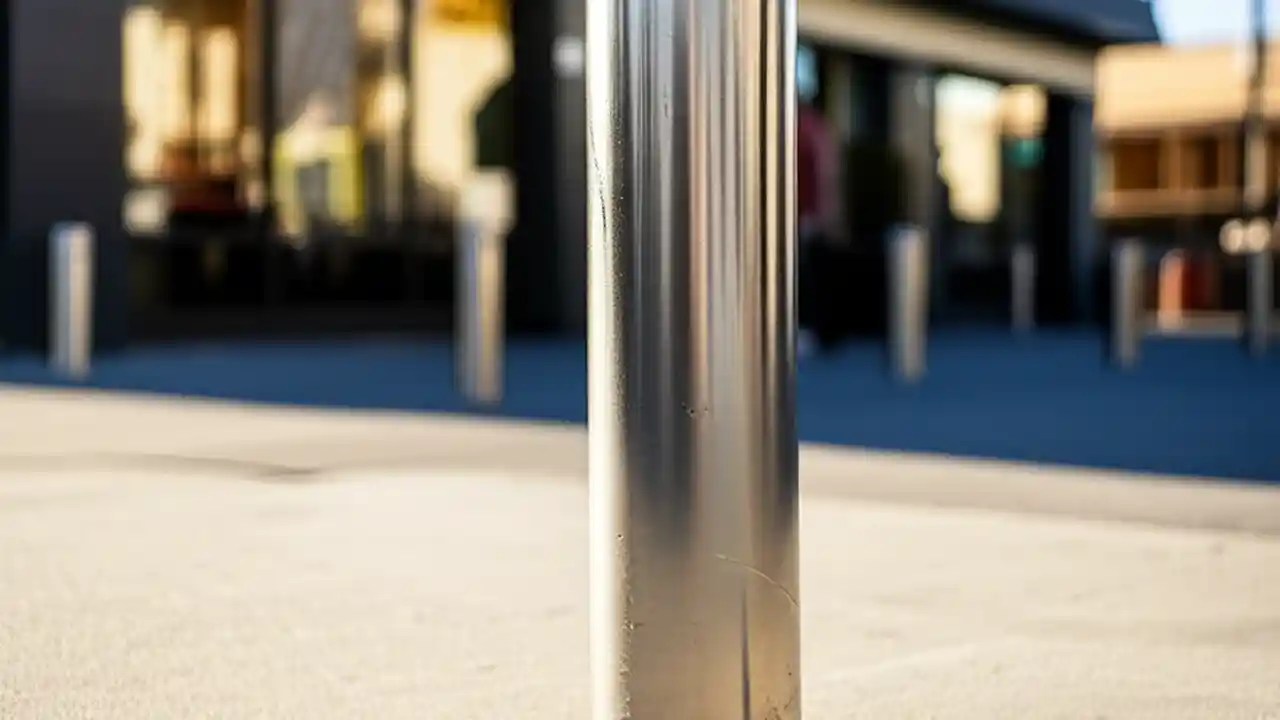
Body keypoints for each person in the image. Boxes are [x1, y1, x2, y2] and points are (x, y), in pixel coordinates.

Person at [797, 99, 842, 354]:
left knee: (810, 273)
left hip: (808, 214)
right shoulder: (818, 130)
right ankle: (820, 331)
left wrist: (817, 212)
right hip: (812, 213)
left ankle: (816, 331)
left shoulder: (808, 131)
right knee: (815, 272)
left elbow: (819, 177)